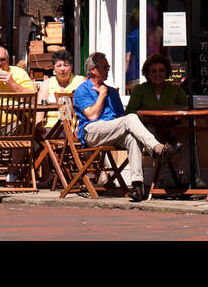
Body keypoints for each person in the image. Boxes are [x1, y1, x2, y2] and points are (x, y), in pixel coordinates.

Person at [72, 52, 178, 203]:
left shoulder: (113, 92)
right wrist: (102, 94)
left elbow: (121, 118)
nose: (108, 69)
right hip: (92, 131)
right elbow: (92, 116)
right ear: (93, 70)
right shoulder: (83, 90)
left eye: (108, 66)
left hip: (112, 131)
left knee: (133, 138)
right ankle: (158, 149)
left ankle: (136, 186)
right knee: (131, 118)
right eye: (105, 67)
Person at [37, 50, 82, 131]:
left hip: (74, 128)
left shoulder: (80, 82)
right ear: (54, 67)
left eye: (66, 65)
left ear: (71, 66)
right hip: (51, 127)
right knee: (37, 138)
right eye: (59, 66)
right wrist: (38, 126)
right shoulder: (47, 84)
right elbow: (39, 110)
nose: (63, 69)